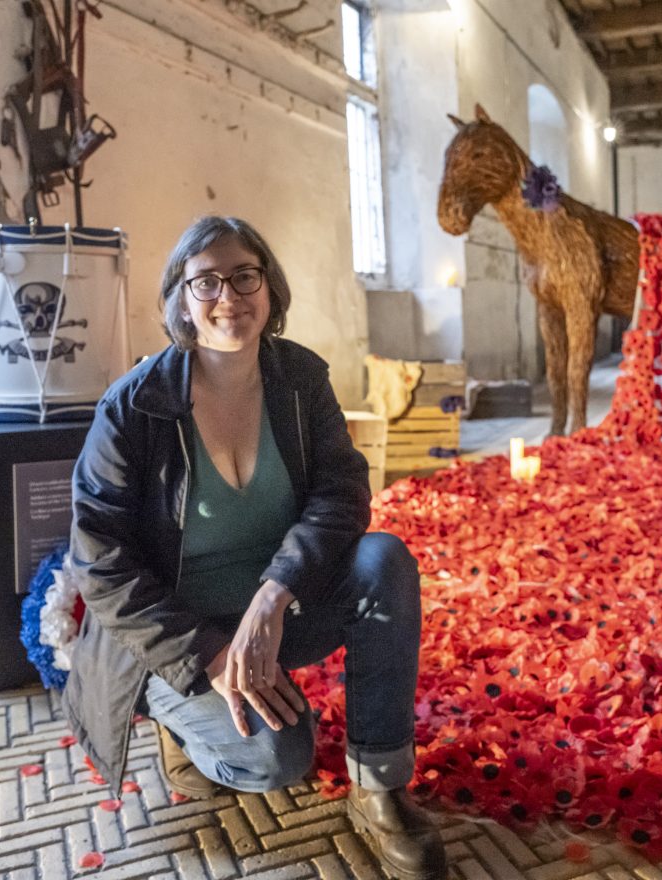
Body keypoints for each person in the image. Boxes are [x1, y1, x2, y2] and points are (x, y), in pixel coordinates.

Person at [61, 216, 446, 880]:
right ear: (181, 300)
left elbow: (342, 492)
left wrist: (274, 594)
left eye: (244, 276)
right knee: (277, 759)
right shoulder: (133, 407)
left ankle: (379, 790)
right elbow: (100, 562)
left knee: (383, 560)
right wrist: (208, 656)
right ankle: (178, 724)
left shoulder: (299, 378)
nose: (228, 297)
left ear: (269, 288)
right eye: (205, 282)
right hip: (179, 634)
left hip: (275, 613)